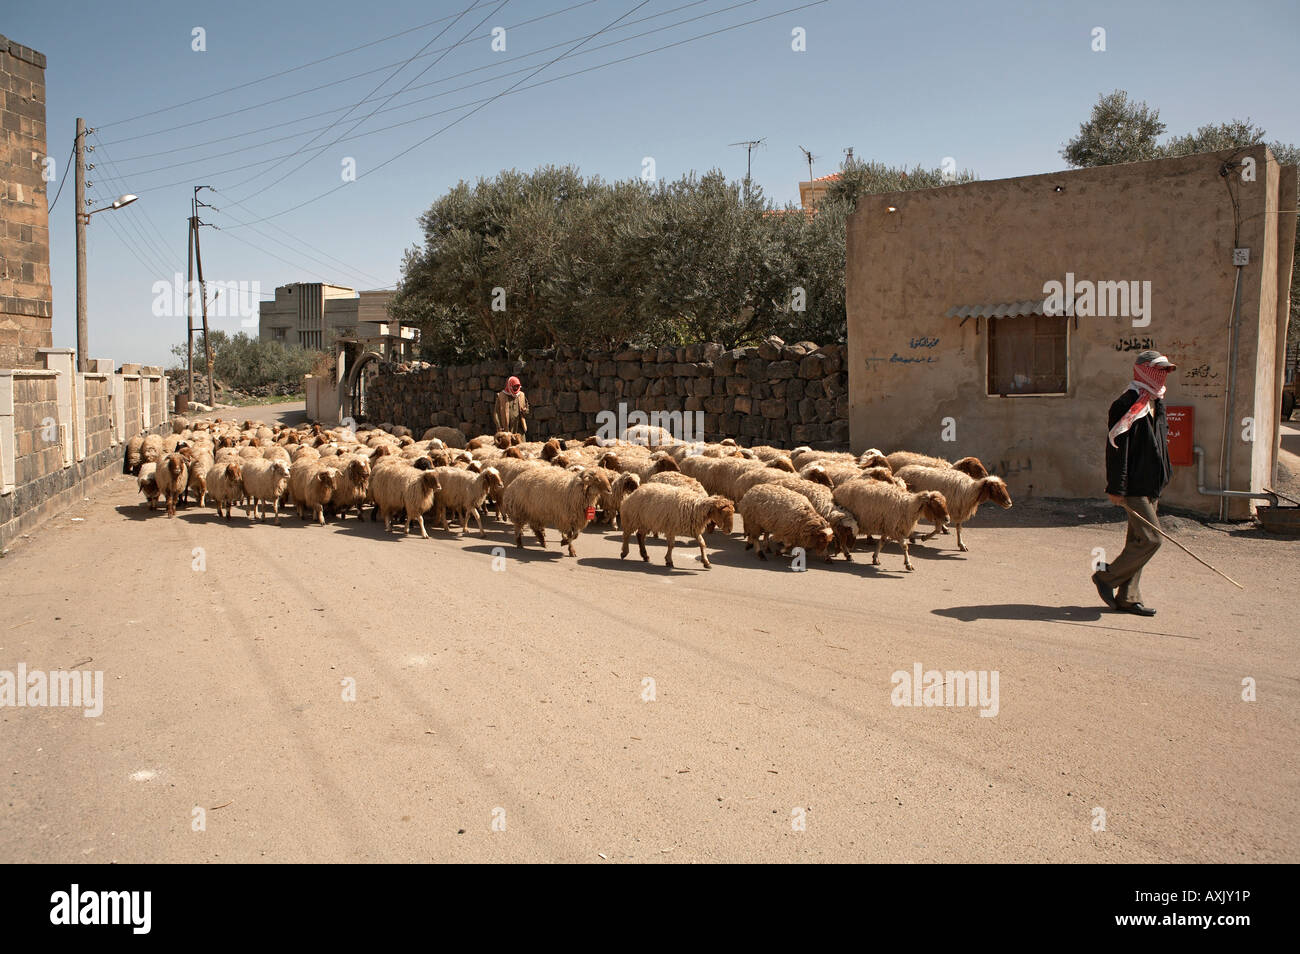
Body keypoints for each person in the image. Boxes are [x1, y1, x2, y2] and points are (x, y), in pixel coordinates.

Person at [1092, 350, 1176, 617]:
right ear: (1142, 371)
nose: (1162, 376)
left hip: (1152, 485)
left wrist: (1165, 474)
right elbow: (1117, 450)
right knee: (1153, 539)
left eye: (1165, 371)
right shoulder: (1127, 404)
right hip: (1133, 487)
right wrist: (1116, 487)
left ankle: (1128, 596)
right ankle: (1107, 577)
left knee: (1138, 541)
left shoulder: (1155, 403)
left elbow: (1160, 445)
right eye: (1157, 370)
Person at [493, 375, 528, 440]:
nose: (516, 388)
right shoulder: (501, 396)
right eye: (515, 386)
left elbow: (527, 410)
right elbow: (496, 413)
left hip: (519, 428)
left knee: (521, 447)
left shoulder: (521, 395)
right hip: (507, 429)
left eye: (518, 386)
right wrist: (499, 426)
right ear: (510, 386)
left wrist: (525, 411)